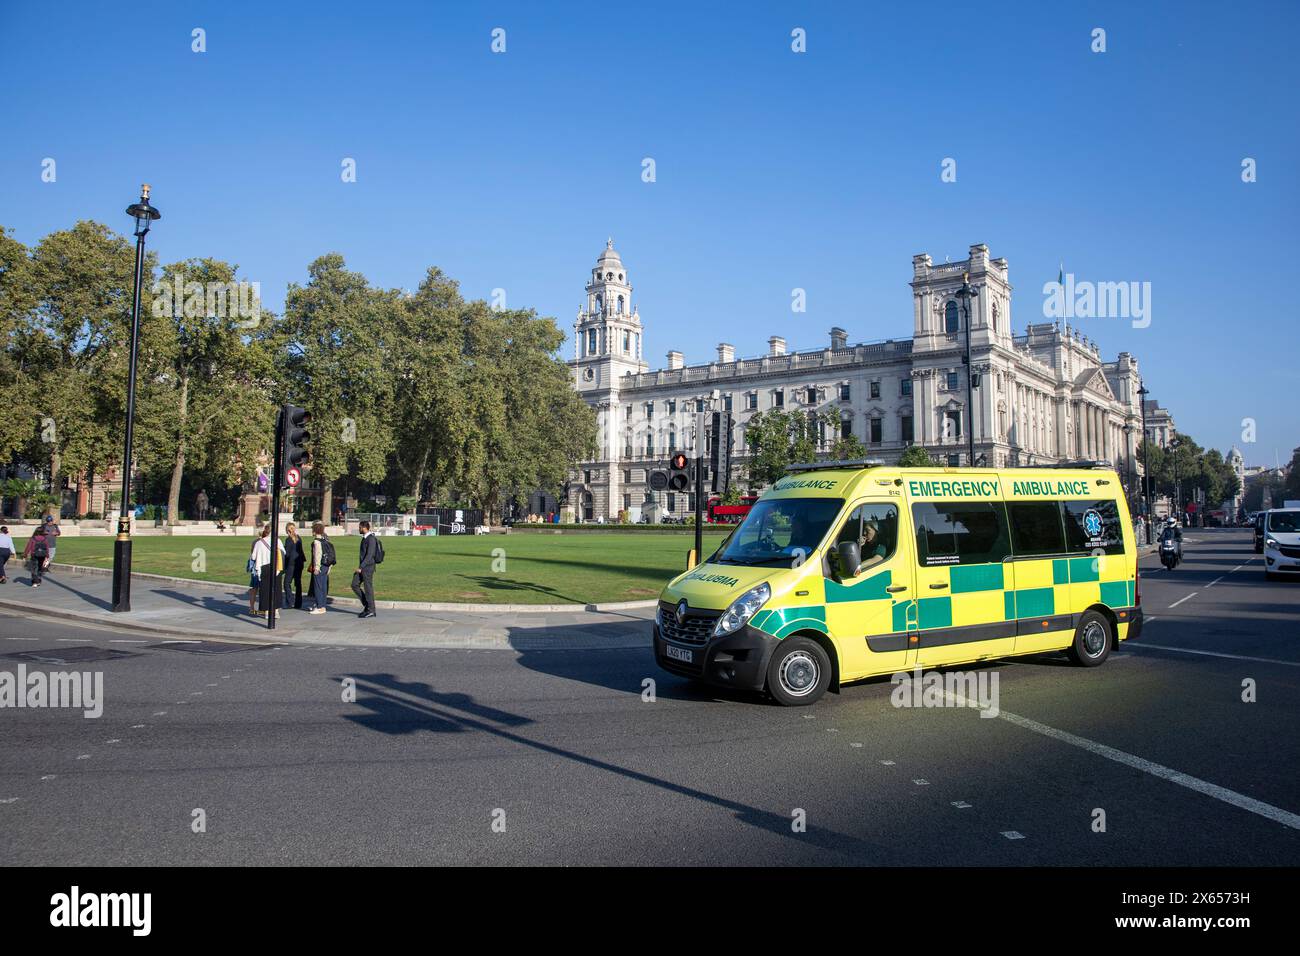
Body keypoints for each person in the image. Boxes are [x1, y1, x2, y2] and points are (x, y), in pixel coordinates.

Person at [248, 523, 285, 615]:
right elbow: (283, 553)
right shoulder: (277, 541)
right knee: (276, 589)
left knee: (265, 590)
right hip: (275, 567)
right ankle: (275, 611)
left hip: (263, 568)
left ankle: (267, 612)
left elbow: (253, 556)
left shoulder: (259, 542)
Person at [351, 520, 380, 618]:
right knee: (354, 584)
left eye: (359, 527)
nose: (359, 529)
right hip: (363, 567)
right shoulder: (365, 538)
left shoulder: (371, 539)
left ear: (364, 528)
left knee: (368, 589)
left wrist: (360, 567)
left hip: (367, 568)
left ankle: (371, 610)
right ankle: (367, 605)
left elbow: (369, 555)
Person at [307, 521, 332, 614]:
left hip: (320, 566)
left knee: (318, 587)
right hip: (326, 566)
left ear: (315, 531)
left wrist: (317, 567)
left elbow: (318, 555)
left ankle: (319, 606)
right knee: (323, 586)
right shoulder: (325, 540)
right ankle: (323, 605)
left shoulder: (316, 542)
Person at [283, 522, 306, 610]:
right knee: (298, 582)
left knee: (286, 583)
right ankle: (298, 603)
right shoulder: (298, 538)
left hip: (292, 564)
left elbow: (287, 554)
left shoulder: (289, 540)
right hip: (299, 562)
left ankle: (290, 602)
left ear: (287, 530)